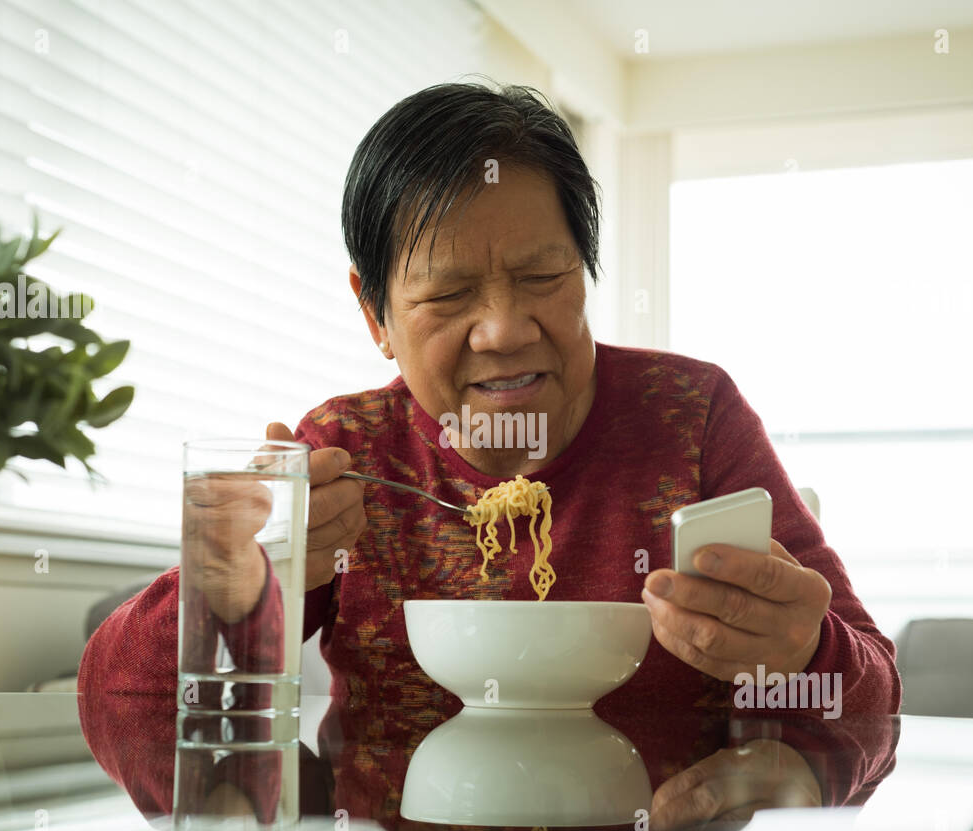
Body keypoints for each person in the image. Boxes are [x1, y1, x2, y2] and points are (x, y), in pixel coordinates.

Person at [79, 82, 901, 771]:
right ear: (376, 314)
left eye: (544, 275)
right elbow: (120, 703)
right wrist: (231, 584)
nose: (504, 329)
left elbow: (875, 695)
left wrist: (805, 651)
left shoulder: (692, 413)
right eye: (446, 295)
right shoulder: (344, 451)